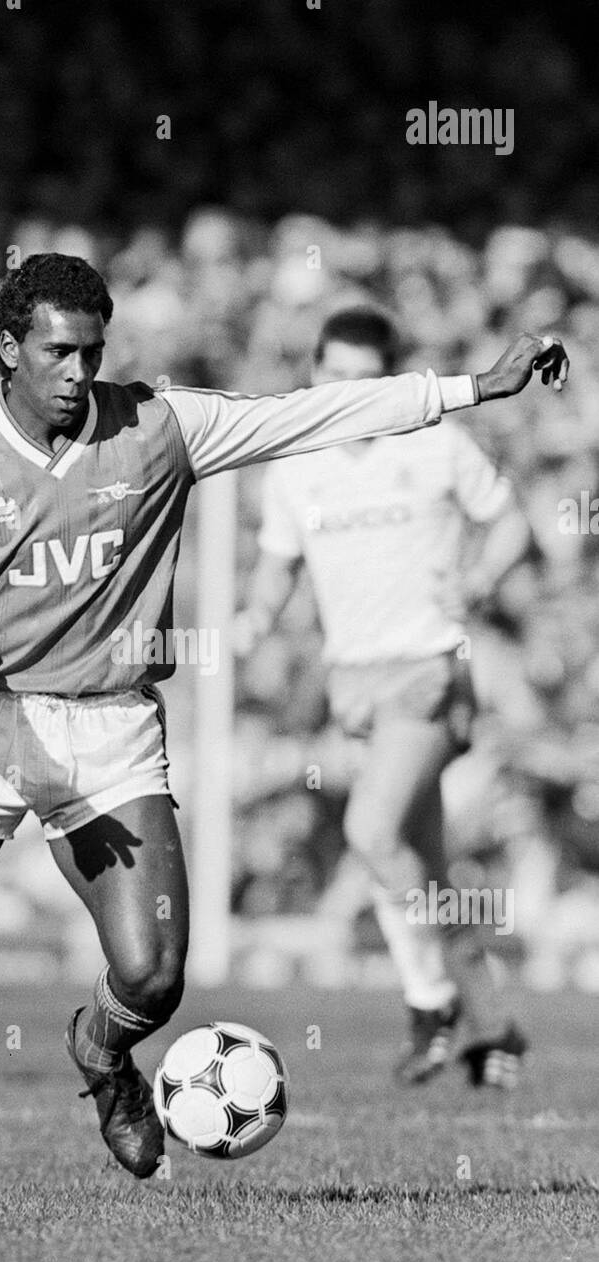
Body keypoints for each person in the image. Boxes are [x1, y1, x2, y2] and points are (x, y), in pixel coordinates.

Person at [0, 255, 568, 1190]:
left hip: (111, 732)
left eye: (91, 352)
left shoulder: (159, 424)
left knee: (154, 976)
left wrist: (473, 387)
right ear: (7, 350)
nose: (78, 372)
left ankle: (100, 1052)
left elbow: (306, 415)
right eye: (56, 352)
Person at [236, 307, 537, 1087]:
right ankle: (494, 1027)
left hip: (429, 667)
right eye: (330, 372)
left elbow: (510, 523)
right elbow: (277, 564)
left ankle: (429, 999)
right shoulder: (295, 465)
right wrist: (253, 617)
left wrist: (476, 577)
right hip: (353, 683)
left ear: (391, 382)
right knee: (417, 863)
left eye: (360, 377)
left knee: (370, 830)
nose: (342, 389)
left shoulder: (434, 444)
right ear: (312, 372)